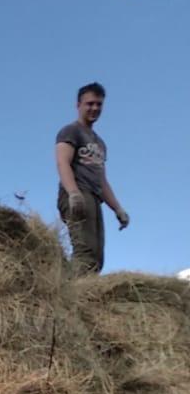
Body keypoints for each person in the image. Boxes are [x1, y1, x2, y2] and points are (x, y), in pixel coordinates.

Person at [55, 82, 129, 274]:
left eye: (99, 104)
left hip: (95, 198)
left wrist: (118, 209)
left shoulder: (99, 143)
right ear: (78, 105)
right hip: (78, 192)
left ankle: (86, 294)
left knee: (96, 257)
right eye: (90, 104)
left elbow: (102, 181)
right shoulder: (71, 131)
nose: (95, 108)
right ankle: (71, 296)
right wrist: (73, 193)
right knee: (85, 252)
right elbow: (62, 162)